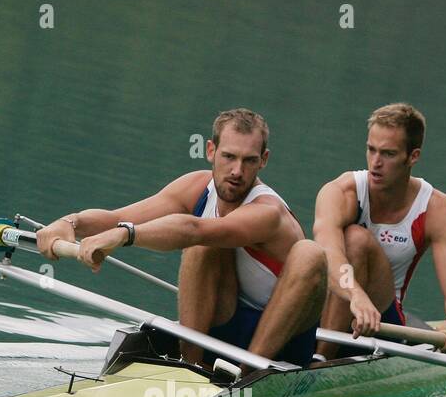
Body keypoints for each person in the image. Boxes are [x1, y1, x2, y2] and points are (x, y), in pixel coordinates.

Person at [36, 108, 326, 366]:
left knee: (309, 253)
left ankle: (250, 376)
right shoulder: (196, 187)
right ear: (211, 151)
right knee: (205, 247)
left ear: (263, 160)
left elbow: (193, 229)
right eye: (229, 157)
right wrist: (68, 222)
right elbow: (116, 217)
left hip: (283, 345)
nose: (237, 171)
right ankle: (189, 366)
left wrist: (124, 235)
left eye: (249, 160)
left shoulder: (268, 211)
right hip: (225, 325)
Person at [313, 102, 446, 359]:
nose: (375, 162)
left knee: (356, 239)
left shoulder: (436, 208)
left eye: (388, 154)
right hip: (331, 309)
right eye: (371, 150)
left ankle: (318, 362)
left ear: (413, 157)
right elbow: (327, 250)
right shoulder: (341, 191)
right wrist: (354, 294)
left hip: (384, 323)